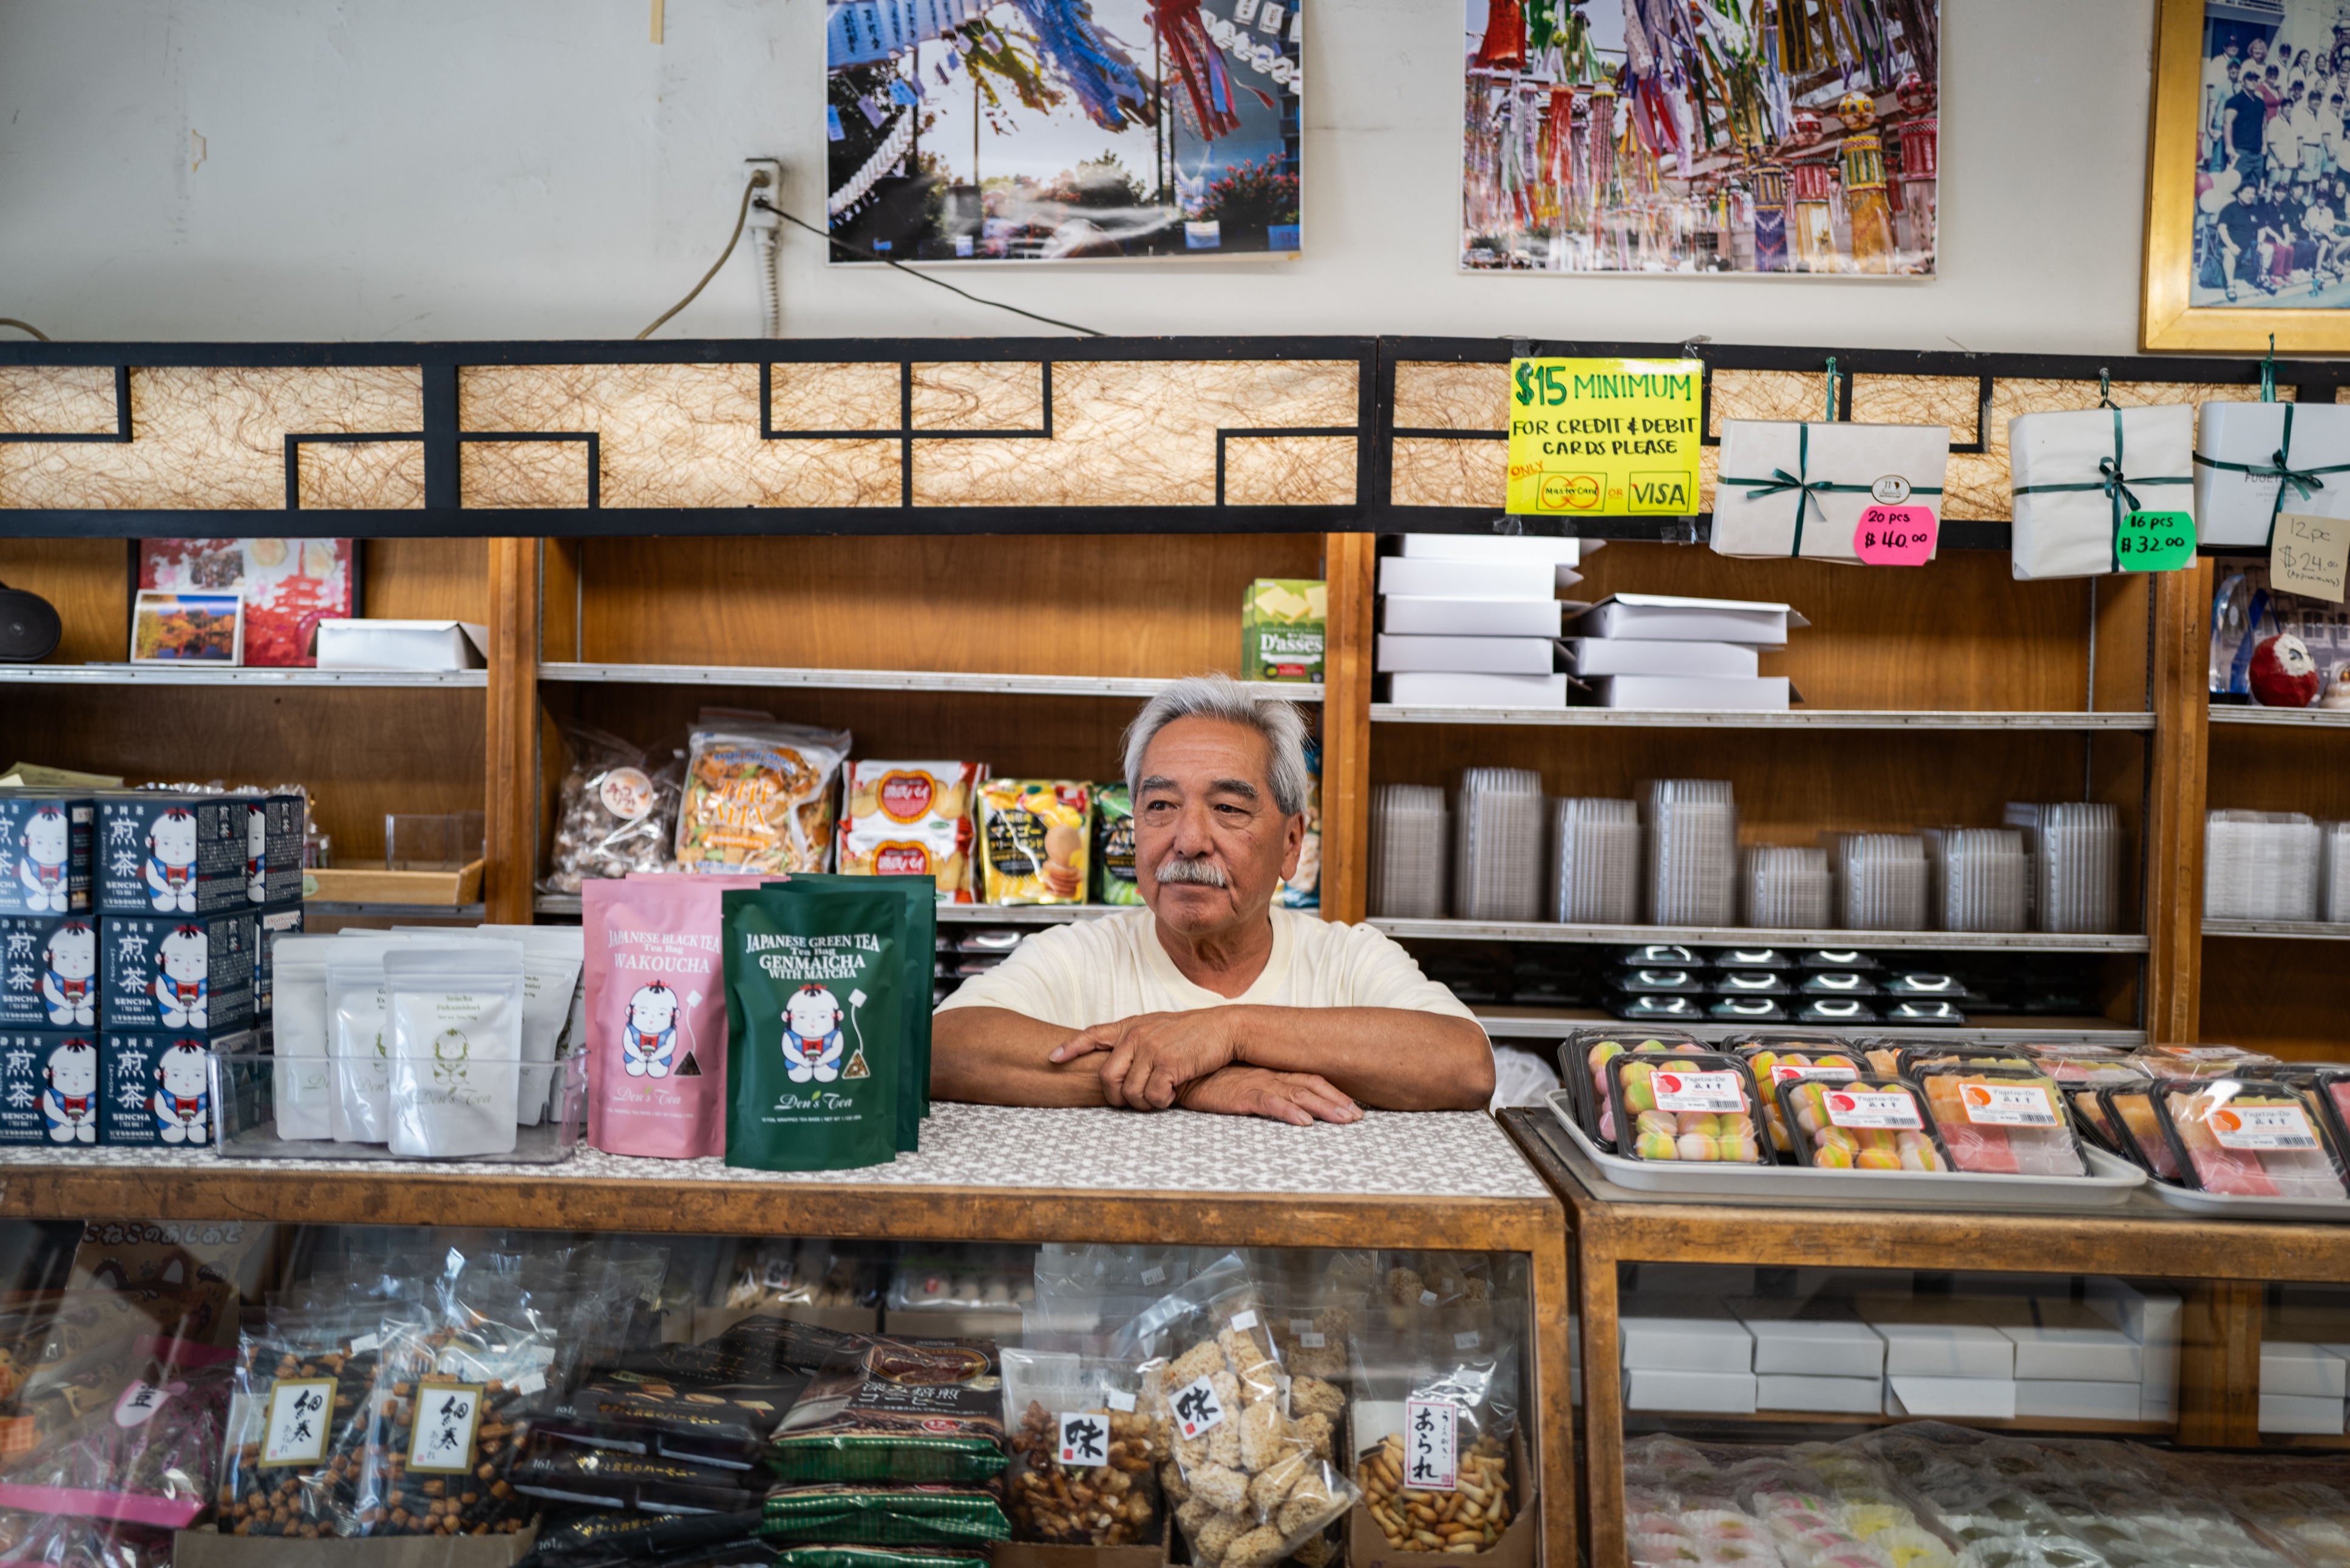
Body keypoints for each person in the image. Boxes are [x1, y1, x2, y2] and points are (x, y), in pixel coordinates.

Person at [932, 675, 1496, 1124]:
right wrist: (1196, 1081)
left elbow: (1464, 1066)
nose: (1188, 840)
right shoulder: (1081, 956)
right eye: (1160, 806)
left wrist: (1230, 1031)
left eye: (1228, 807)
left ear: (1291, 843)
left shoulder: (1345, 959)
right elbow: (940, 1049)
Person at [2218, 178, 2270, 299]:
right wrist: (2231, 245)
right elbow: (2222, 228)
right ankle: (2231, 285)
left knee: (2268, 249)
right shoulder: (2230, 209)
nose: (2251, 196)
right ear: (2239, 193)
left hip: (2248, 247)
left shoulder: (2257, 209)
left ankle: (2261, 278)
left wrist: (2260, 243)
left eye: (2253, 193)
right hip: (2229, 245)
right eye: (2247, 193)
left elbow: (2262, 229)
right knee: (2229, 254)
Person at [2228, 69, 2272, 181]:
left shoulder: (2260, 102)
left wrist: (2264, 145)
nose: (2253, 82)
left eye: (2256, 80)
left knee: (2254, 188)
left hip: (2257, 153)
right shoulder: (2235, 101)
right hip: (2241, 151)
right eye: (2250, 79)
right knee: (2237, 183)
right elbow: (2227, 123)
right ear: (2242, 82)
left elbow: (2264, 125)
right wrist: (2229, 146)